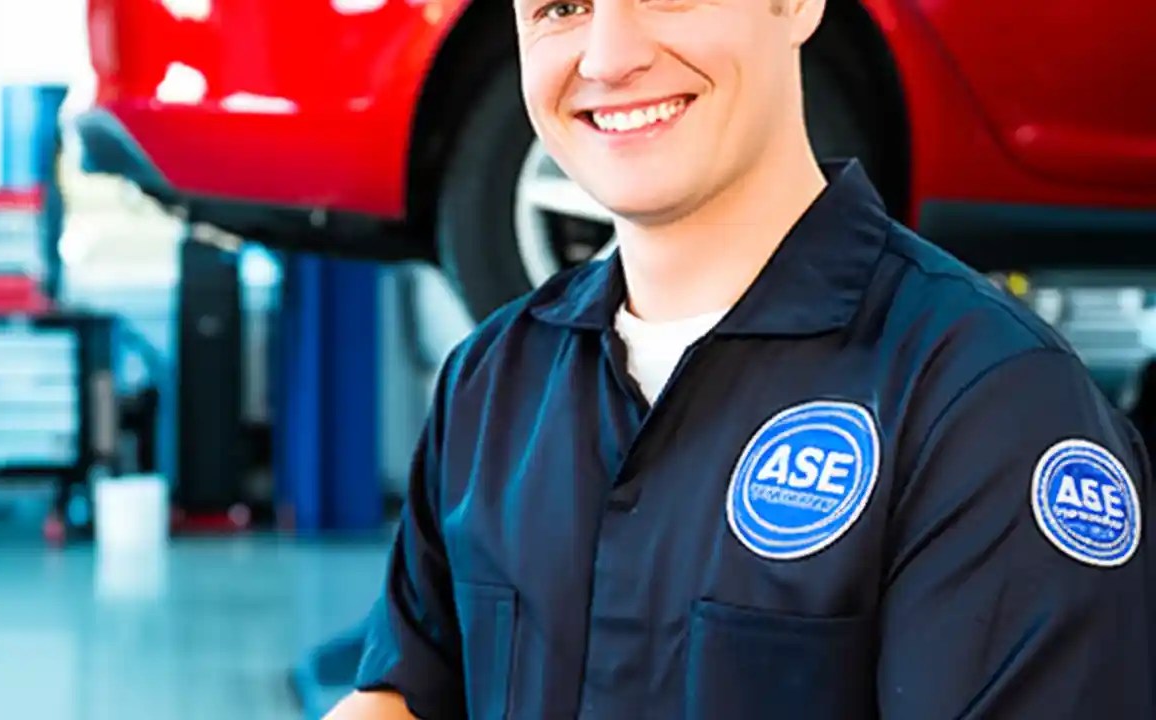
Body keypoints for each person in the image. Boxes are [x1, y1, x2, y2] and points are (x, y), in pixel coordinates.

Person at [328, 0, 1155, 717]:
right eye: (560, 7)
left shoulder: (990, 405)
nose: (610, 58)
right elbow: (404, 695)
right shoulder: (491, 382)